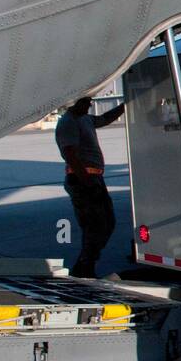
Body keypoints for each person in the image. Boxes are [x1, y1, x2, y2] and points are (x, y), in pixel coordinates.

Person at [55, 96, 125, 278]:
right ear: (75, 103)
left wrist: (125, 106)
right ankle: (85, 266)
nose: (90, 104)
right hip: (82, 180)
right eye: (87, 102)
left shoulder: (85, 119)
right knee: (95, 225)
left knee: (106, 223)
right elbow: (70, 154)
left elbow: (103, 119)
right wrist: (86, 181)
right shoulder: (68, 123)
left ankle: (85, 263)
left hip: (93, 178)